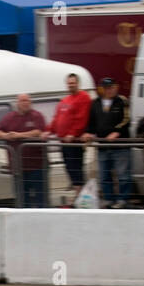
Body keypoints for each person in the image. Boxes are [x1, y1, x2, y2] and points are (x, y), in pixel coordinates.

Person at [84, 78, 131, 208]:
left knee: (123, 175)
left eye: (111, 87)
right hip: (103, 146)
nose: (109, 89)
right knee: (104, 176)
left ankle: (123, 200)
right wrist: (88, 133)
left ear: (115, 87)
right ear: (102, 89)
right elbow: (91, 123)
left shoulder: (122, 101)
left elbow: (127, 119)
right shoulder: (95, 103)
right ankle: (109, 199)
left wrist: (117, 132)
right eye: (106, 87)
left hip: (120, 146)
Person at [0, 94, 49, 208]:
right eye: (23, 101)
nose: (25, 103)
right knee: (22, 200)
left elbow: (38, 132)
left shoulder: (37, 116)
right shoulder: (9, 117)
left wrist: (19, 135)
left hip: (37, 167)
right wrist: (6, 136)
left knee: (41, 199)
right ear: (17, 103)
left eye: (27, 100)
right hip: (18, 168)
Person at [48, 73, 91, 204]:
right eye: (69, 83)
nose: (71, 85)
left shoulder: (83, 97)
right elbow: (56, 119)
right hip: (64, 141)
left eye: (73, 83)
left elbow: (81, 118)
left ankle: (80, 196)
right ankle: (78, 194)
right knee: (69, 167)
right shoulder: (64, 100)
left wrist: (73, 133)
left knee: (75, 167)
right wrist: (48, 130)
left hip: (74, 142)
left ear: (78, 83)